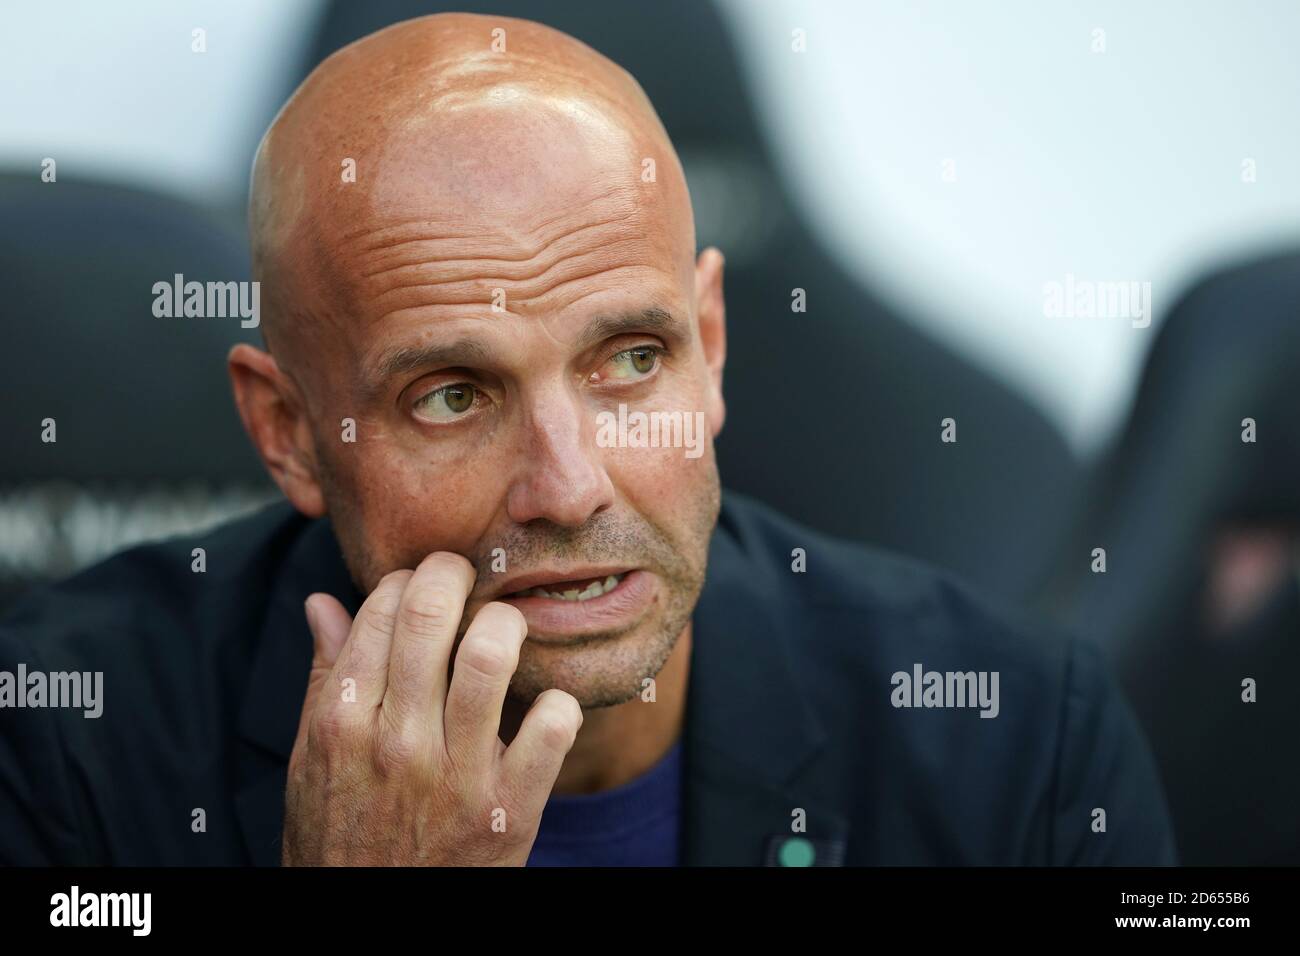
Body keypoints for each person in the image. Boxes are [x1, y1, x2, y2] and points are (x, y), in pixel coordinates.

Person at [0, 13, 1175, 866]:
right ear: (290, 432)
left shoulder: (1016, 742)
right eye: (454, 396)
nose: (566, 487)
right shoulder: (60, 752)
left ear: (709, 345)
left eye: (628, 361)